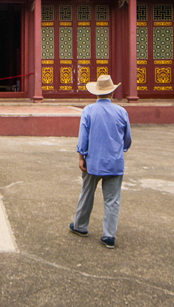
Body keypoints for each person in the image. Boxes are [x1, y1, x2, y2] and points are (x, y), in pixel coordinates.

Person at [69, 74, 132, 249]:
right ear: (112, 93)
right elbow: (127, 139)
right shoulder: (122, 112)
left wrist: (81, 156)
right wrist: (119, 150)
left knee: (87, 193)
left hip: (92, 161)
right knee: (112, 199)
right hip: (114, 162)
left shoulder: (88, 110)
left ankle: (81, 226)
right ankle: (109, 235)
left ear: (96, 94)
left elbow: (83, 137)